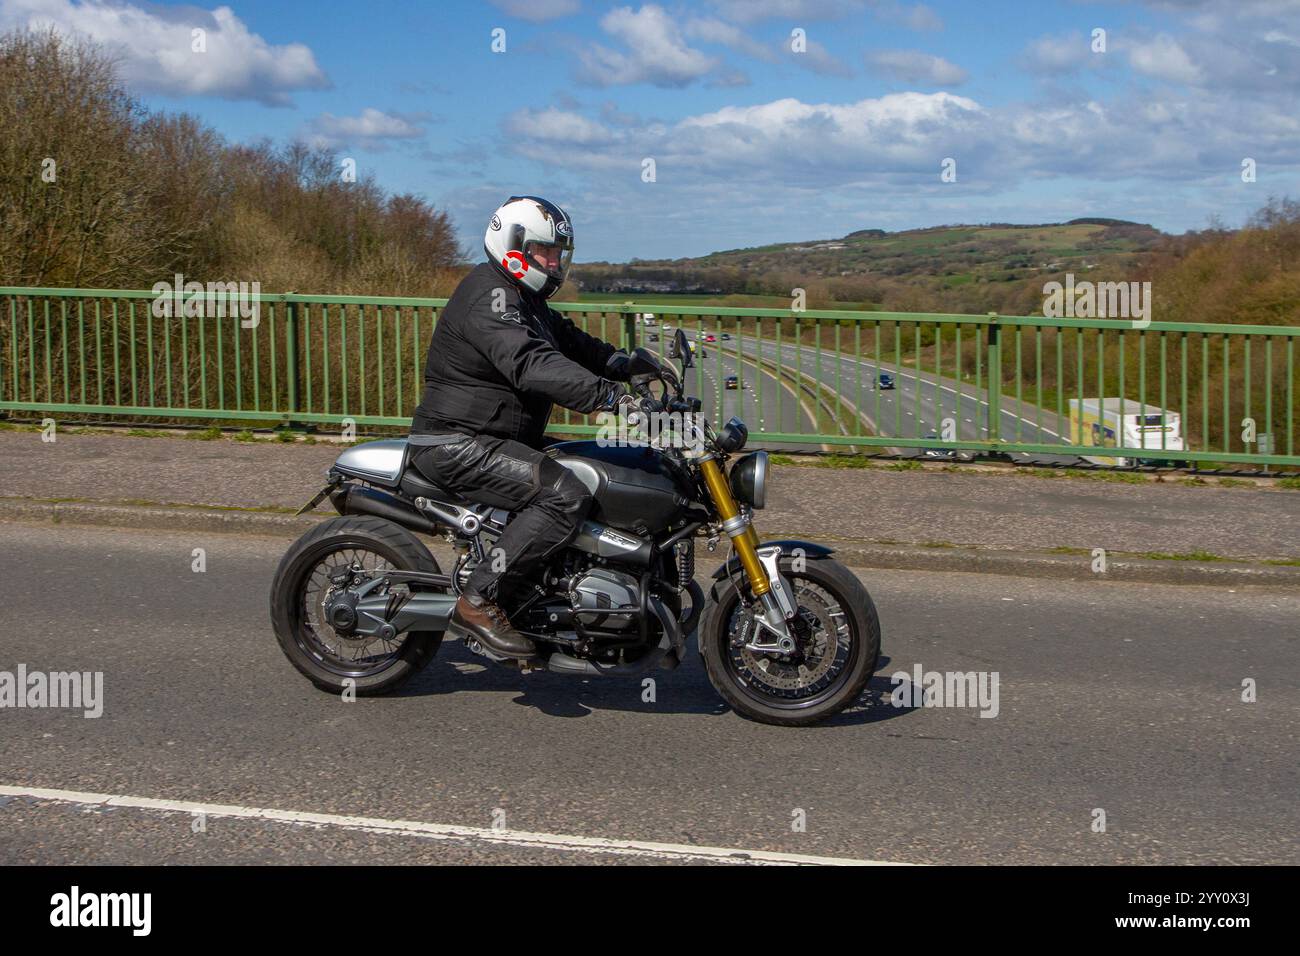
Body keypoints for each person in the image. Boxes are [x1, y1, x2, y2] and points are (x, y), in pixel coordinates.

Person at [408, 195, 646, 660]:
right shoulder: (490, 295)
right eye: (546, 251)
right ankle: (478, 600)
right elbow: (530, 363)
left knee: (594, 467)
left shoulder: (525, 299)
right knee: (565, 493)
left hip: (497, 437)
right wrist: (611, 398)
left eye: (560, 253)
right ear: (513, 243)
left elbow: (572, 344)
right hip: (457, 442)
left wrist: (627, 364)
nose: (555, 262)